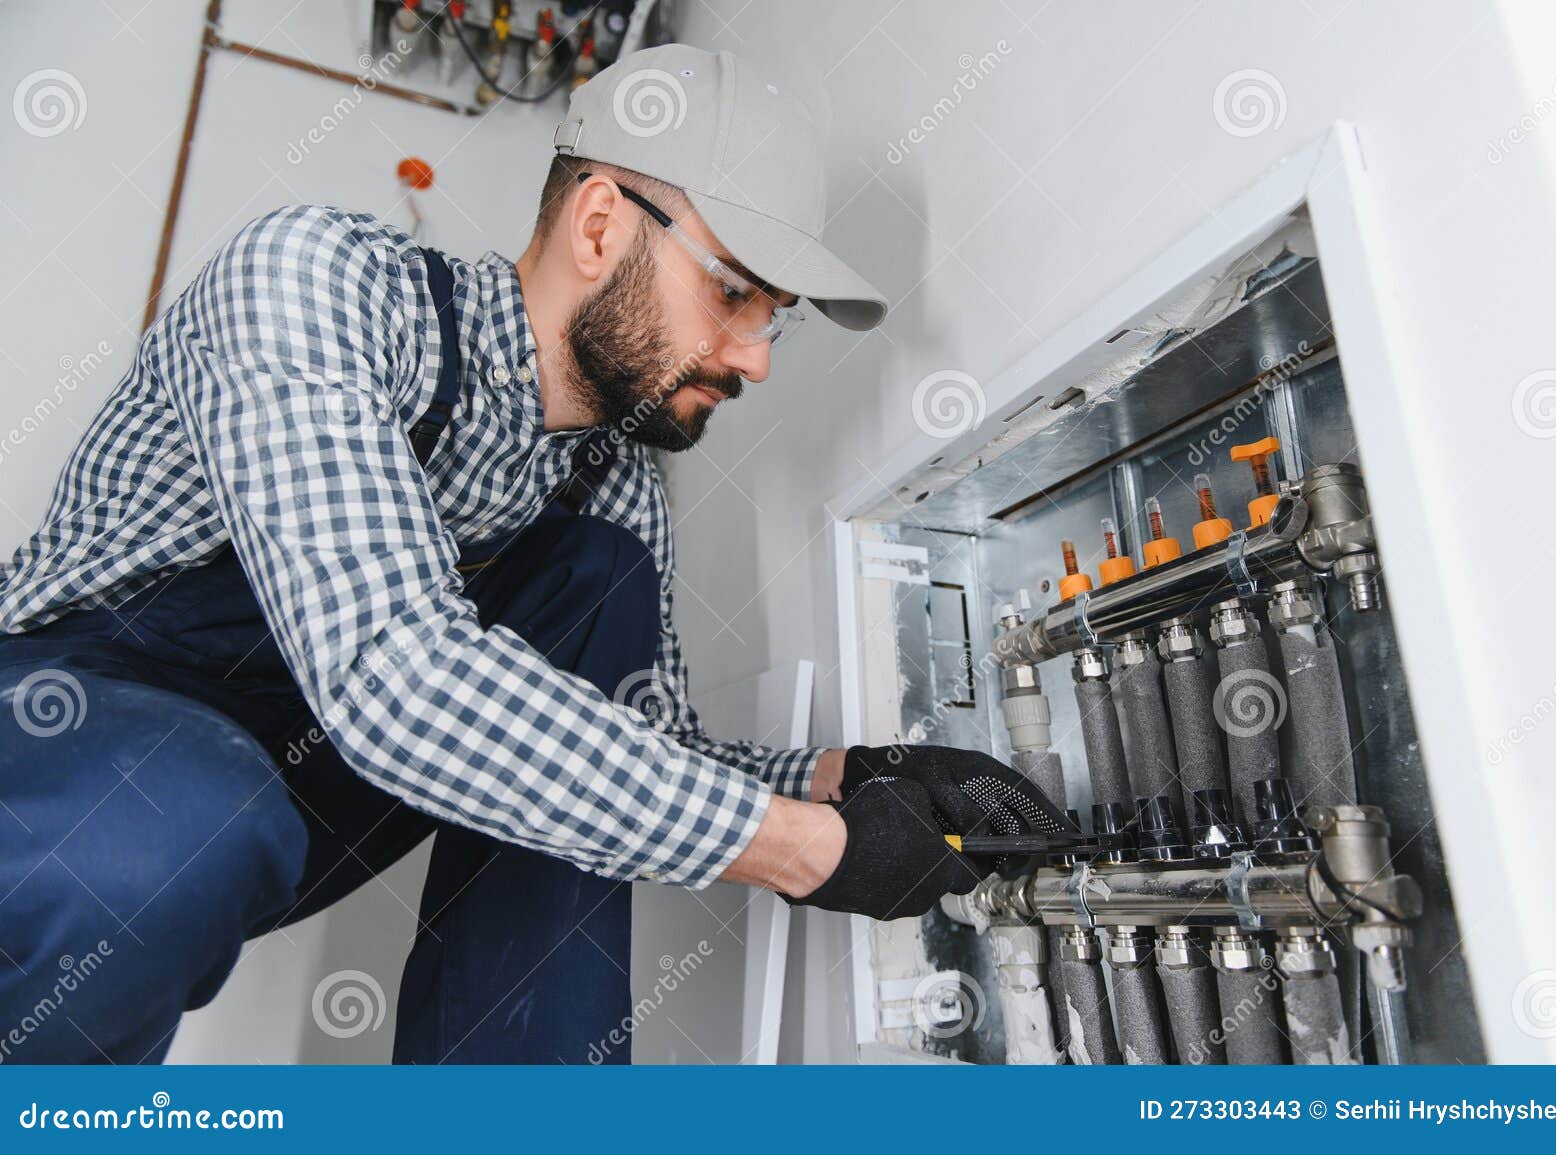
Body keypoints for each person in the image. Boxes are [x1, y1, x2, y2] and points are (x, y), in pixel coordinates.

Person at [0, 44, 1064, 1064]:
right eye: (733, 291)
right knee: (176, 816)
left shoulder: (608, 481)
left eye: (772, 320)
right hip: (61, 741)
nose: (753, 357)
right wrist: (810, 854)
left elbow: (637, 751)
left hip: (276, 798)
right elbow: (397, 675)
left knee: (597, 573)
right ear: (599, 223)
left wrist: (849, 780)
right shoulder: (313, 283)